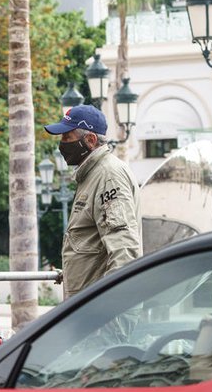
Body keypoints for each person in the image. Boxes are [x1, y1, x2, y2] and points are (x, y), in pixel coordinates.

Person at [43, 103, 142, 296]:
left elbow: (125, 249)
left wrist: (105, 306)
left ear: (90, 139)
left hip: (102, 313)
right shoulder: (93, 174)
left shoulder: (108, 176)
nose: (62, 143)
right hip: (89, 307)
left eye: (67, 137)